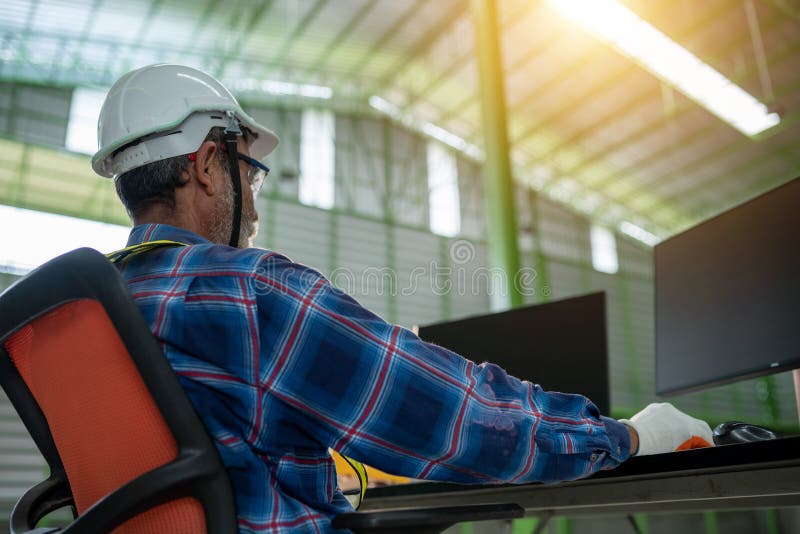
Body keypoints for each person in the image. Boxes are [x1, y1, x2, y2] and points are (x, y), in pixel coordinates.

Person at [93, 64, 714, 533]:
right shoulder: (251, 293)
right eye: (249, 173)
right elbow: (457, 419)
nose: (252, 204)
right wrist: (627, 436)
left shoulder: (89, 311)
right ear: (207, 164)